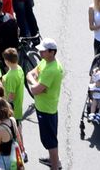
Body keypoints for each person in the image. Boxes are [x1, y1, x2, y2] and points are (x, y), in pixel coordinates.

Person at [28, 38, 63, 170]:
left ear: (52, 52)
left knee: (50, 141)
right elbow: (30, 74)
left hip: (46, 110)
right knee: (49, 139)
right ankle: (54, 160)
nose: (40, 53)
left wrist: (34, 84)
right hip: (45, 107)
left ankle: (55, 165)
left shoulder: (51, 70)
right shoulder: (45, 62)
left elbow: (35, 90)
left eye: (43, 51)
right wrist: (35, 81)